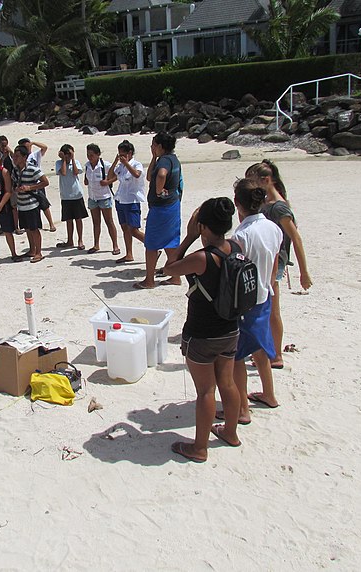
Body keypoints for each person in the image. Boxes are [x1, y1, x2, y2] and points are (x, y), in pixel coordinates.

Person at [163, 199, 242, 462]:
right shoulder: (236, 247)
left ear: (203, 227)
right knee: (228, 383)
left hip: (203, 333)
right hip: (231, 328)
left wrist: (189, 238)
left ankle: (199, 448)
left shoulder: (201, 258)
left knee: (206, 391)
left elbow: (170, 267)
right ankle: (230, 433)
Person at [246, 160, 313, 369]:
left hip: (275, 262)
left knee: (272, 309)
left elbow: (296, 238)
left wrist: (304, 272)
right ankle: (266, 349)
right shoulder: (267, 203)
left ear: (266, 180)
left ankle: (275, 355)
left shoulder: (278, 207)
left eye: (253, 182)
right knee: (264, 306)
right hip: (266, 259)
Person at [229, 178, 283, 422]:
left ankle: (242, 409)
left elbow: (235, 273)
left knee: (237, 356)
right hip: (265, 294)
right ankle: (269, 394)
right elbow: (274, 262)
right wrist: (269, 284)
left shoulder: (241, 235)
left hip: (245, 302)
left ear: (237, 203)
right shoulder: (273, 228)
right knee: (260, 347)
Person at [136, 132, 183, 289]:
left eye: (154, 144)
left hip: (161, 208)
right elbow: (150, 177)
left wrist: (158, 191)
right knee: (171, 242)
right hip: (173, 206)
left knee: (151, 244)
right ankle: (176, 276)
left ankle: (149, 280)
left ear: (160, 146)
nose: (152, 147)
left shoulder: (164, 161)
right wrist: (153, 157)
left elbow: (161, 175)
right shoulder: (173, 159)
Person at [105, 140, 146, 263]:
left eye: (123, 154)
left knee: (134, 230)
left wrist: (126, 163)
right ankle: (129, 254)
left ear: (130, 153)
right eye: (120, 154)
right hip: (121, 200)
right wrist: (115, 162)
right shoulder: (121, 167)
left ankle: (154, 247)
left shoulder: (136, 164)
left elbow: (137, 174)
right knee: (125, 228)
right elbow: (110, 176)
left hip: (132, 201)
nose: (121, 157)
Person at [13, 145, 50, 263]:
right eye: (14, 156)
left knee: (34, 229)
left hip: (32, 204)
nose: (15, 158)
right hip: (21, 204)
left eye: (17, 156)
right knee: (27, 228)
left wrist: (30, 187)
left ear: (25, 157)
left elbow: (45, 182)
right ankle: (32, 250)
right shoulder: (15, 170)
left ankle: (39, 252)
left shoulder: (32, 168)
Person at [83, 143, 120, 255]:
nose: (90, 157)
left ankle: (115, 245)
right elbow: (86, 179)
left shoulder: (105, 165)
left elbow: (117, 175)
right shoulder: (87, 165)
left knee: (109, 221)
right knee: (96, 222)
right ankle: (96, 244)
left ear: (98, 154)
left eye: (92, 155)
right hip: (92, 197)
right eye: (88, 155)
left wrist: (108, 182)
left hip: (104, 197)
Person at [54, 144, 88, 250]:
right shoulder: (59, 163)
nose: (69, 156)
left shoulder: (76, 162)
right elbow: (63, 172)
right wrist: (64, 160)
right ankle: (70, 240)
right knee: (68, 220)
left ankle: (80, 240)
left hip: (76, 194)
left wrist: (72, 159)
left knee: (78, 219)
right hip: (65, 196)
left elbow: (76, 172)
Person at [18, 137, 56, 232]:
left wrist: (33, 143)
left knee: (44, 204)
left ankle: (51, 223)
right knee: (32, 206)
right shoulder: (20, 157)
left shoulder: (35, 155)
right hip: (26, 183)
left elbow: (45, 147)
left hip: (38, 182)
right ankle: (36, 225)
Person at [0, 135, 22, 235]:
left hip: (12, 184)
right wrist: (3, 157)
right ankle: (0, 227)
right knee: (0, 206)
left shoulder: (11, 155)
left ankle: (16, 226)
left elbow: (17, 164)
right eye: (2, 145)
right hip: (1, 184)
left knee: (14, 206)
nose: (4, 147)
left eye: (5, 145)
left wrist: (11, 153)